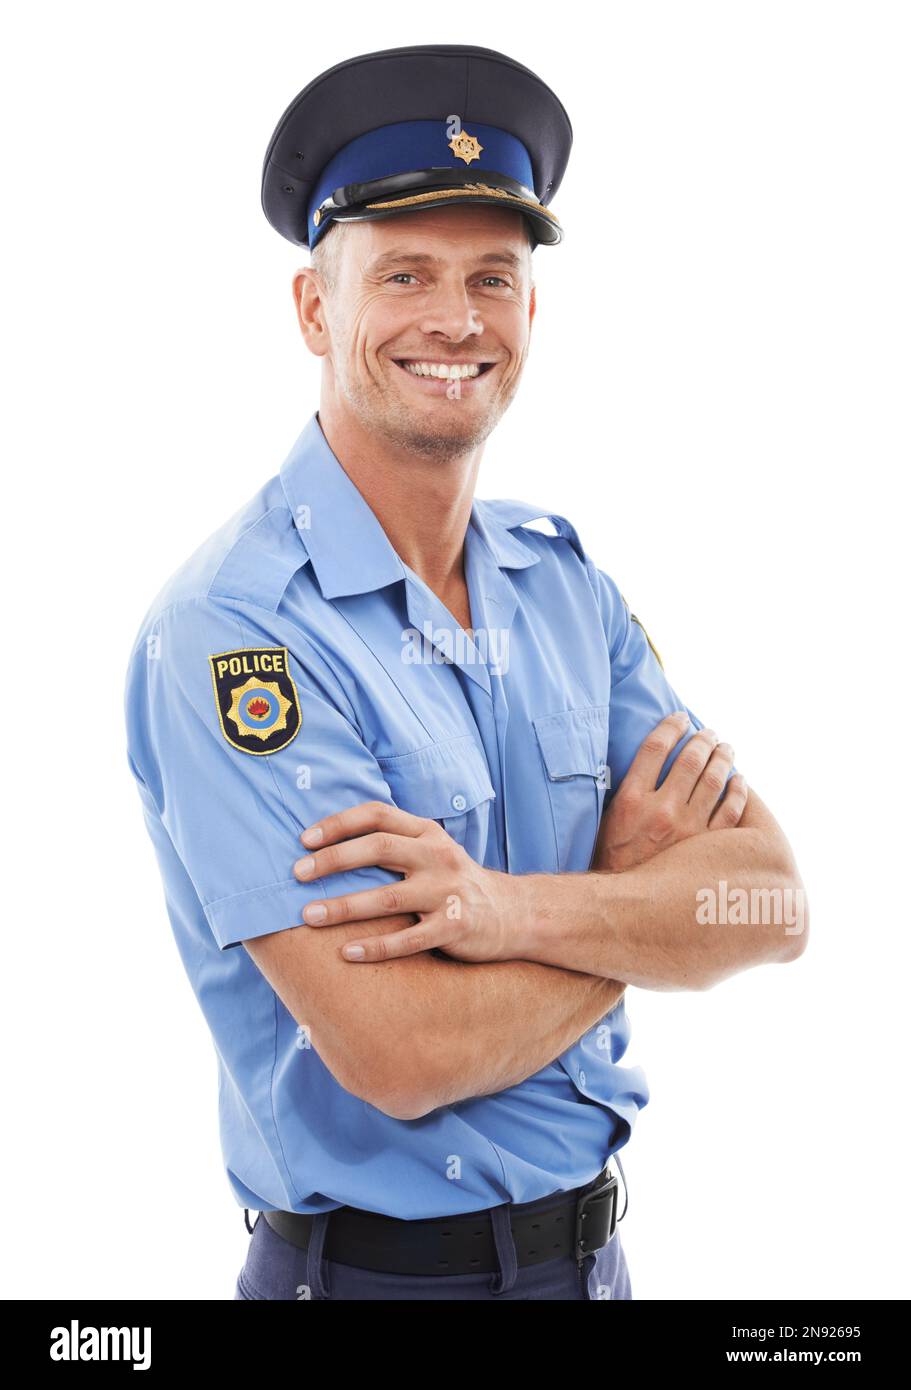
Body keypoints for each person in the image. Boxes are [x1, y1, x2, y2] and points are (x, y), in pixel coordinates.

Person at [124, 43, 808, 1301]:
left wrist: (504, 912)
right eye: (405, 275)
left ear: (531, 312)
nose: (456, 319)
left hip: (595, 1266)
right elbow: (401, 1051)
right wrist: (628, 901)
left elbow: (767, 905)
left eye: (493, 276)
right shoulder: (240, 636)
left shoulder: (563, 588)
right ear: (314, 310)